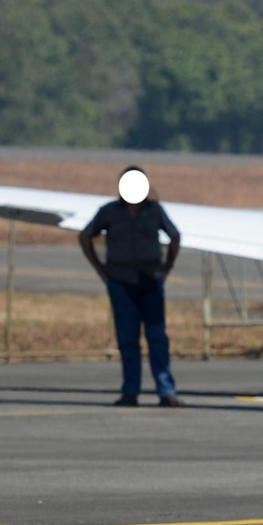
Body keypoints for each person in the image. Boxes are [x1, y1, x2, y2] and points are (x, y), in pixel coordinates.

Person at [79, 166, 182, 407]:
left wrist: (166, 267)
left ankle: (166, 391)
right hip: (120, 280)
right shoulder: (109, 212)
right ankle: (130, 390)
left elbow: (175, 236)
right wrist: (101, 269)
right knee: (127, 338)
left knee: (157, 336)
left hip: (150, 279)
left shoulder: (155, 211)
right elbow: (85, 236)